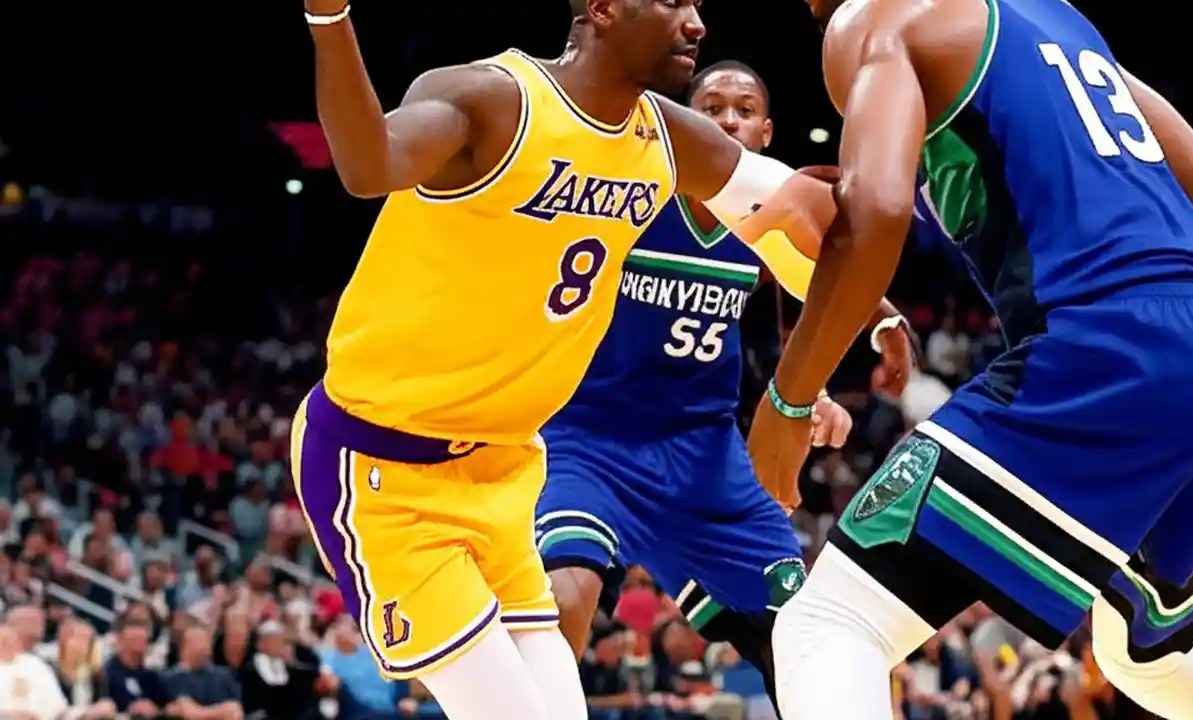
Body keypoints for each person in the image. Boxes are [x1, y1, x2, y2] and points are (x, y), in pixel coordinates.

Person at [292, 0, 839, 718]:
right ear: (604, 7)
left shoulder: (669, 138)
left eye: (699, 6)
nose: (697, 24)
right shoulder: (491, 100)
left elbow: (793, 216)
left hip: (505, 474)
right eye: (674, 2)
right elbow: (367, 166)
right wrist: (330, 17)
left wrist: (873, 316)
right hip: (385, 471)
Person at [748, 0, 1193, 718]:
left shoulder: (873, 20)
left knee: (831, 623)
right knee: (1150, 658)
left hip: (1110, 345)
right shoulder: (1057, 20)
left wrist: (788, 399)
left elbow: (875, 215)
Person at [535, 59, 913, 703]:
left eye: (743, 109)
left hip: (706, 455)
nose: (728, 120)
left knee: (804, 634)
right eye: (711, 108)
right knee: (566, 597)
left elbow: (771, 330)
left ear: (766, 133)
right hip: (593, 438)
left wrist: (819, 385)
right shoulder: (635, 195)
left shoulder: (767, 221)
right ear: (684, 123)